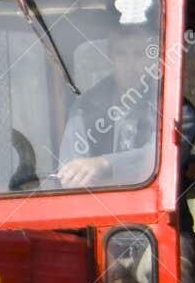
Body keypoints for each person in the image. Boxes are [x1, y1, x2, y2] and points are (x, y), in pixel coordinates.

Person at [55, 25, 159, 188]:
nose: (130, 64)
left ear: (150, 58)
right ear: (111, 57)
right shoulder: (85, 107)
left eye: (138, 54)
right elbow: (70, 172)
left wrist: (104, 163)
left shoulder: (165, 103)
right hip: (99, 204)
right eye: (121, 54)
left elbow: (161, 156)